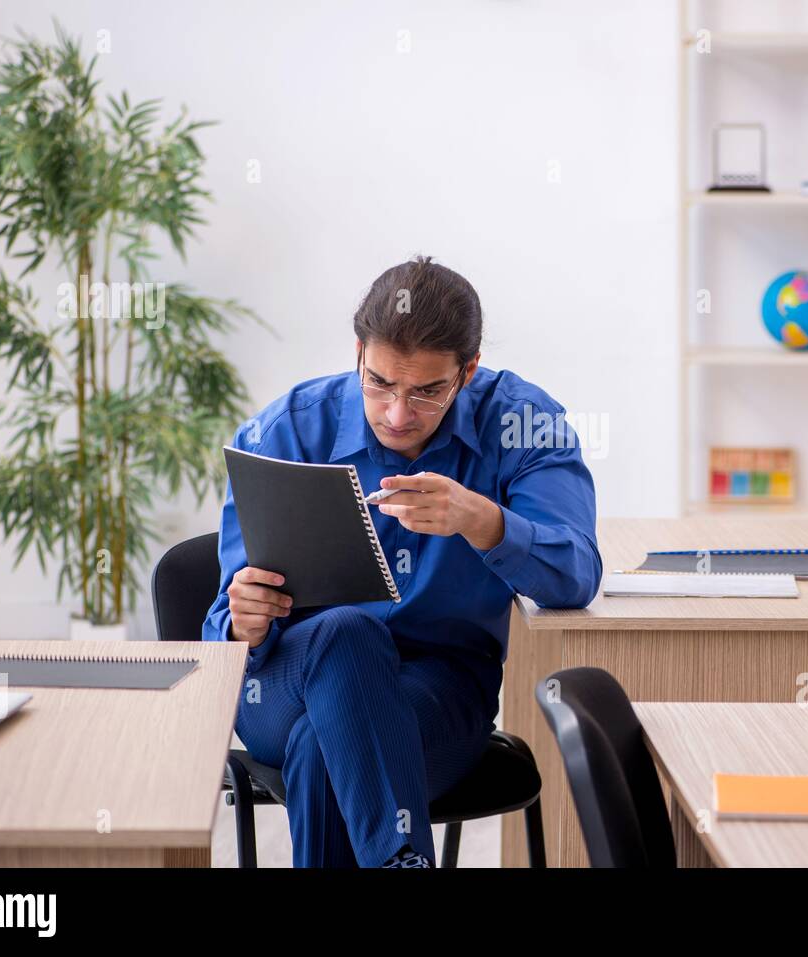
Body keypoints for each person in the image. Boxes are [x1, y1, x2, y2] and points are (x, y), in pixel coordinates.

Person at [202, 255, 602, 867]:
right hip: (284, 682)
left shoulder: (521, 423)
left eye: (426, 392)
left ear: (466, 372)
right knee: (345, 631)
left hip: (436, 692)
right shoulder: (288, 431)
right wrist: (241, 621)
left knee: (323, 745)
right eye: (380, 383)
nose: (396, 413)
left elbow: (576, 575)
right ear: (358, 351)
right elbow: (222, 626)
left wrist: (483, 521)